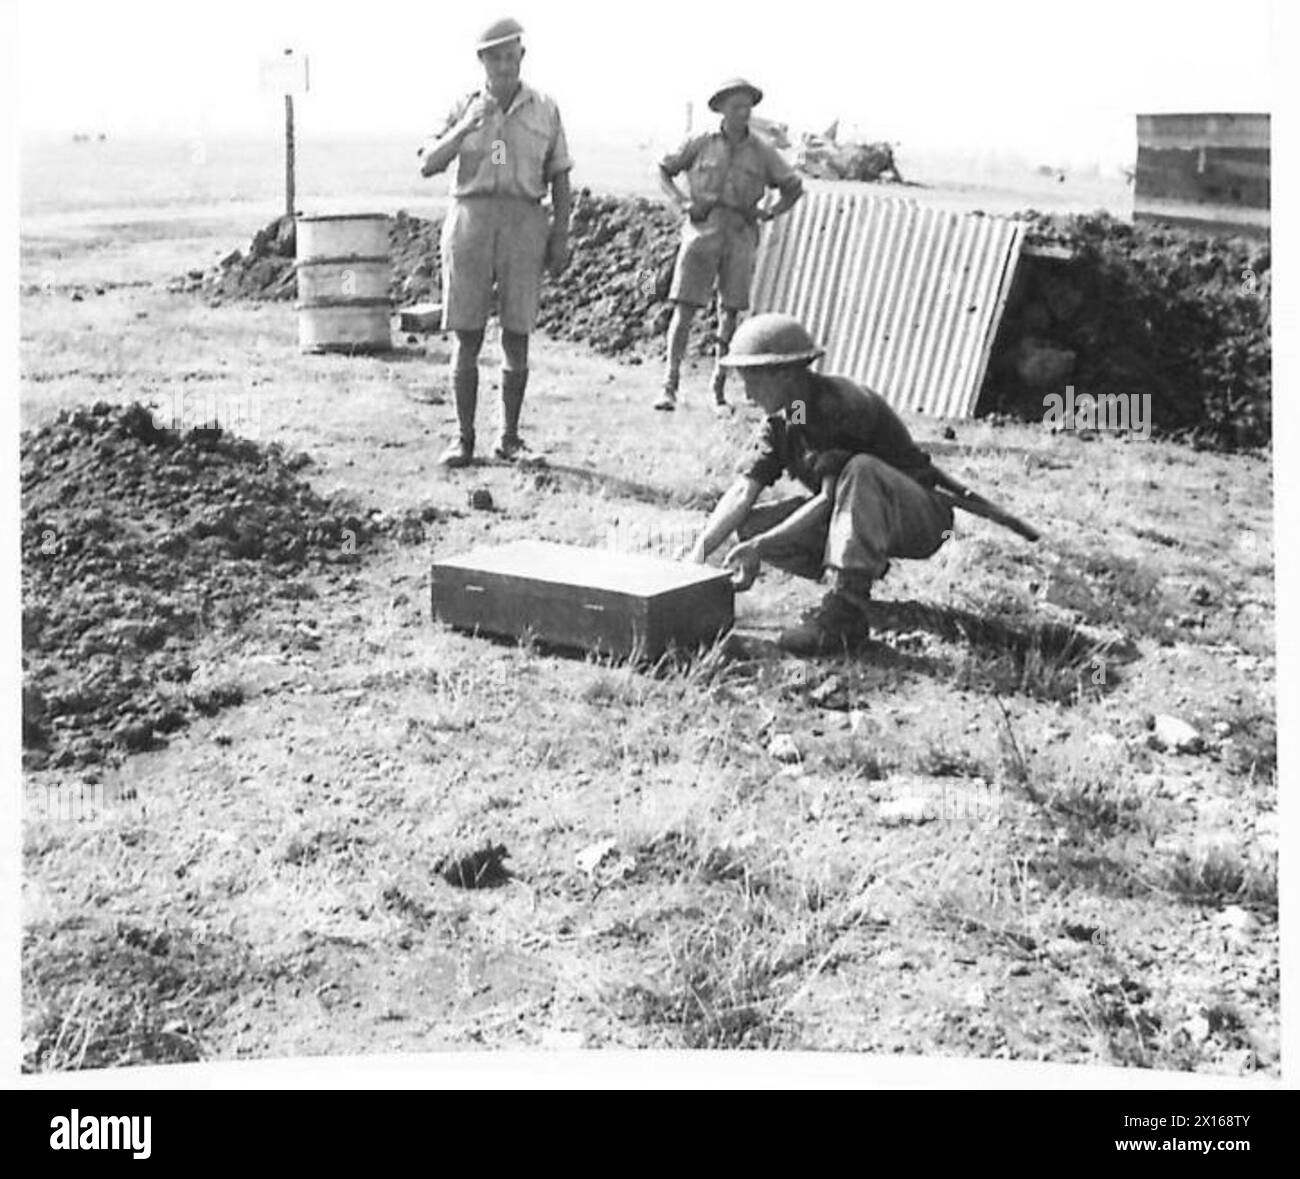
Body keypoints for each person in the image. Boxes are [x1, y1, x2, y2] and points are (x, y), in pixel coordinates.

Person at [684, 313, 955, 655]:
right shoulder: (791, 413)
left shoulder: (840, 404)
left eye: (750, 380)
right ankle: (856, 581)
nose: (748, 394)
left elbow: (828, 497)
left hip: (921, 516)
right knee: (753, 525)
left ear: (783, 373)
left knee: (861, 469)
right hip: (864, 515)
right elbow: (744, 490)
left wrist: (763, 547)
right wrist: (698, 554)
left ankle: (845, 611)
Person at [418, 17, 573, 467]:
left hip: (525, 221)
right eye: (495, 56)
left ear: (521, 57)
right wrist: (465, 127)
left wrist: (561, 233)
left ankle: (509, 436)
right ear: (481, 60)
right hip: (472, 219)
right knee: (467, 334)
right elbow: (428, 163)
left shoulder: (545, 107)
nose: (504, 64)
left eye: (512, 55)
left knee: (517, 332)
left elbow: (561, 173)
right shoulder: (462, 106)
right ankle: (463, 437)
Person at [655, 79, 803, 414]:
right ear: (721, 109)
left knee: (731, 312)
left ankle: (718, 389)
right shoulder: (702, 142)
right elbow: (664, 170)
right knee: (684, 307)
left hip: (740, 233)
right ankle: (669, 384)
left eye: (748, 106)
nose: (743, 112)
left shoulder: (762, 150)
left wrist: (771, 212)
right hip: (702, 231)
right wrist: (681, 204)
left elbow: (793, 186)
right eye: (736, 106)